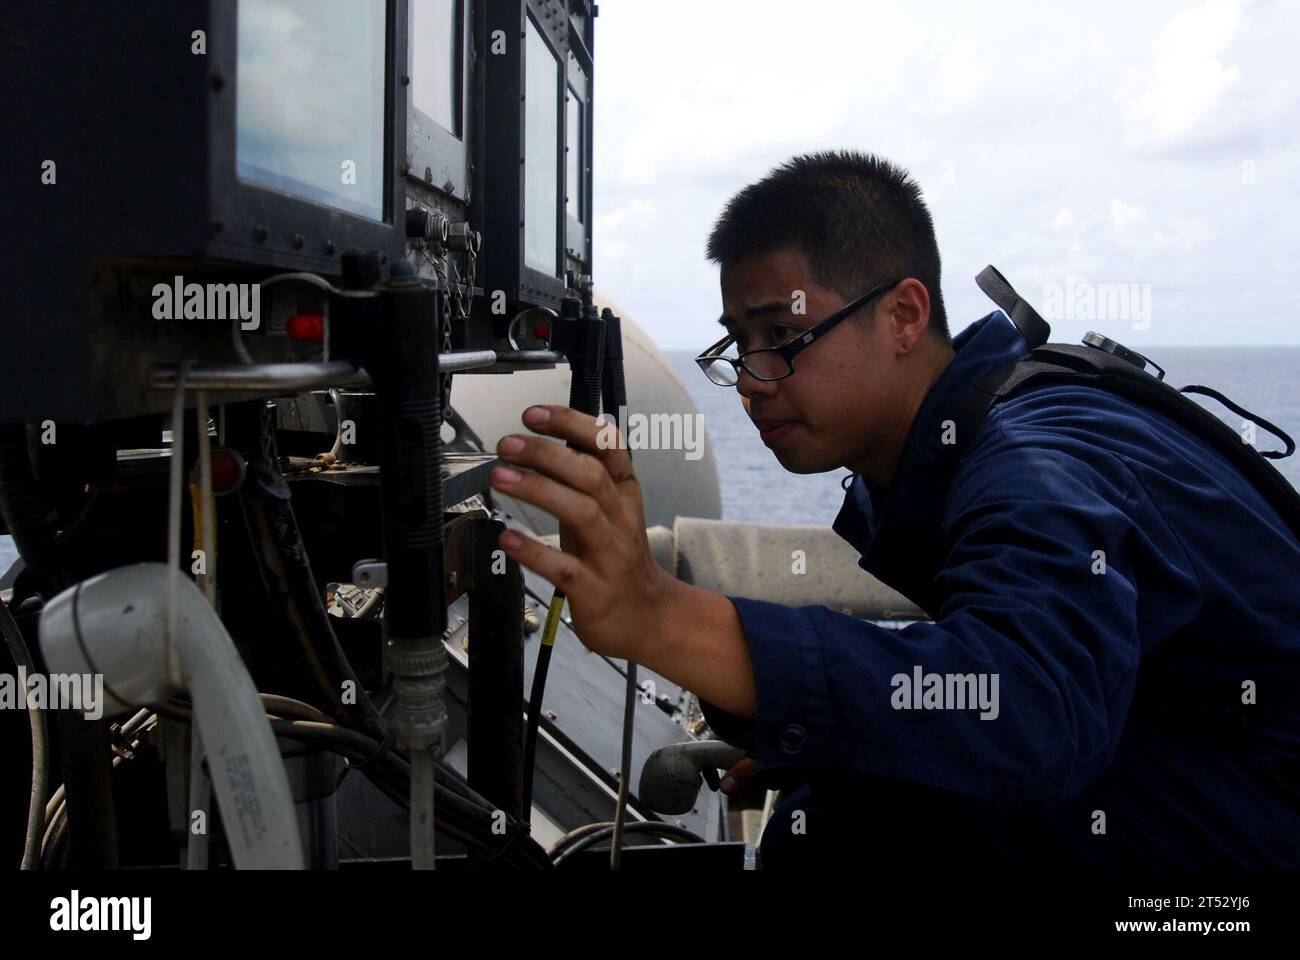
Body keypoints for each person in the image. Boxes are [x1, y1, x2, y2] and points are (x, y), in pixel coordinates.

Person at [488, 150, 1300, 867]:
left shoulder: (1036, 462)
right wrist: (848, 739)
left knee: (847, 831)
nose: (751, 379)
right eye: (739, 343)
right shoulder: (980, 431)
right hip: (1219, 780)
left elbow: (1026, 707)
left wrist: (660, 616)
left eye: (783, 336)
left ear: (904, 316)